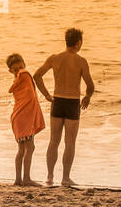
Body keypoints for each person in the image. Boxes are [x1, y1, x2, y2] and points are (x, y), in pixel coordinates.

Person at [33, 28, 95, 187]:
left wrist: (47, 95)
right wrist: (87, 97)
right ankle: (65, 178)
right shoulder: (81, 61)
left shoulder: (55, 59)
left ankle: (49, 177)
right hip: (73, 103)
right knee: (70, 142)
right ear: (79, 43)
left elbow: (37, 75)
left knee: (54, 141)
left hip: (57, 101)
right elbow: (90, 85)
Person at [6, 54, 45, 185]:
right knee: (30, 147)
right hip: (23, 116)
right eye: (15, 69)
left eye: (21, 67)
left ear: (24, 63)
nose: (19, 70)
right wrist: (22, 71)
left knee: (22, 149)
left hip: (18, 117)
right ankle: (26, 178)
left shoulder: (18, 82)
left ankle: (18, 180)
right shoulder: (24, 75)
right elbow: (23, 73)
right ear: (11, 71)